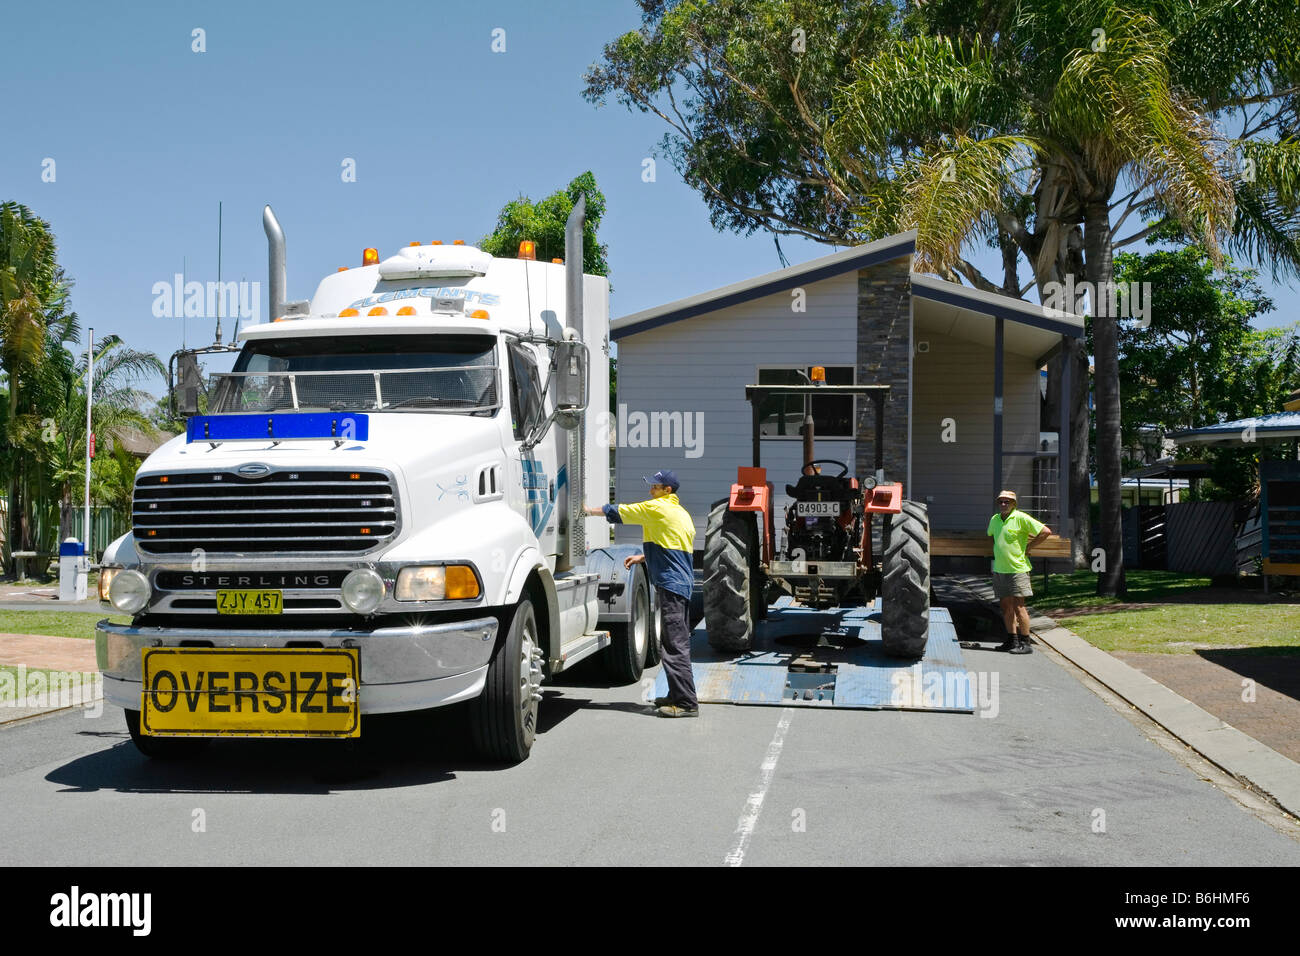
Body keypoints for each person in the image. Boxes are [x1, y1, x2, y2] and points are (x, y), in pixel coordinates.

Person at [585, 469, 698, 717]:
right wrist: (643, 557)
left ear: (667, 490)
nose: (650, 491)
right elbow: (673, 548)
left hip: (671, 586)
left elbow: (622, 511)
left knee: (675, 646)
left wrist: (588, 511)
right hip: (681, 584)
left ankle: (687, 703)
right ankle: (676, 694)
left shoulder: (658, 509)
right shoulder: (681, 514)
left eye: (655, 487)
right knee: (673, 642)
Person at [987, 489, 1051, 654]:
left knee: (1019, 607)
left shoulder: (1021, 517)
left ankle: (1026, 643)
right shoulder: (994, 519)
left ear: (1013, 504)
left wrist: (1029, 546)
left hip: (1017, 570)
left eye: (1007, 501)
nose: (1003, 504)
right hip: (1000, 569)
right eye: (1000, 501)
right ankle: (1012, 640)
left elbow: (1045, 532)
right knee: (1005, 607)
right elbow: (992, 537)